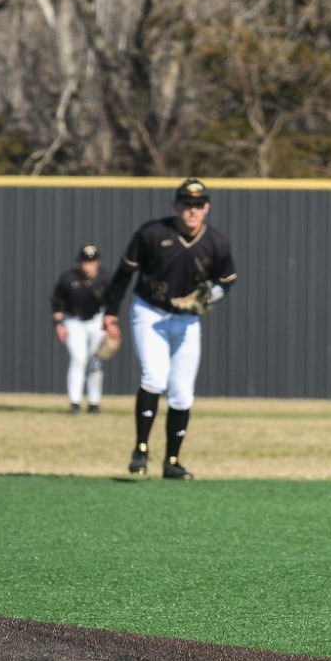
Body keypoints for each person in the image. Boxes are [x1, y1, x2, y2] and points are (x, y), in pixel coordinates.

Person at [99, 178, 238, 479]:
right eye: (186, 204)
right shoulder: (153, 233)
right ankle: (141, 450)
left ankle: (172, 461)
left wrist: (212, 294)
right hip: (150, 311)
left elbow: (228, 279)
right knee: (154, 376)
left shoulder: (216, 242)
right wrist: (111, 312)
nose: (192, 211)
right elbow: (125, 273)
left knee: (183, 392)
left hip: (187, 319)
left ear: (207, 208)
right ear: (176, 205)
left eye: (198, 205)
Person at [52, 244, 109, 414]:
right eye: (84, 261)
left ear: (97, 262)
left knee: (95, 361)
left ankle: (94, 403)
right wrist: (59, 325)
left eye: (91, 261)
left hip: (96, 320)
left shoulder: (105, 278)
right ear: (79, 262)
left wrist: (111, 324)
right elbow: (56, 303)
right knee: (78, 359)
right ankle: (74, 402)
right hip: (73, 321)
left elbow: (113, 303)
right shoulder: (68, 278)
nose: (87, 265)